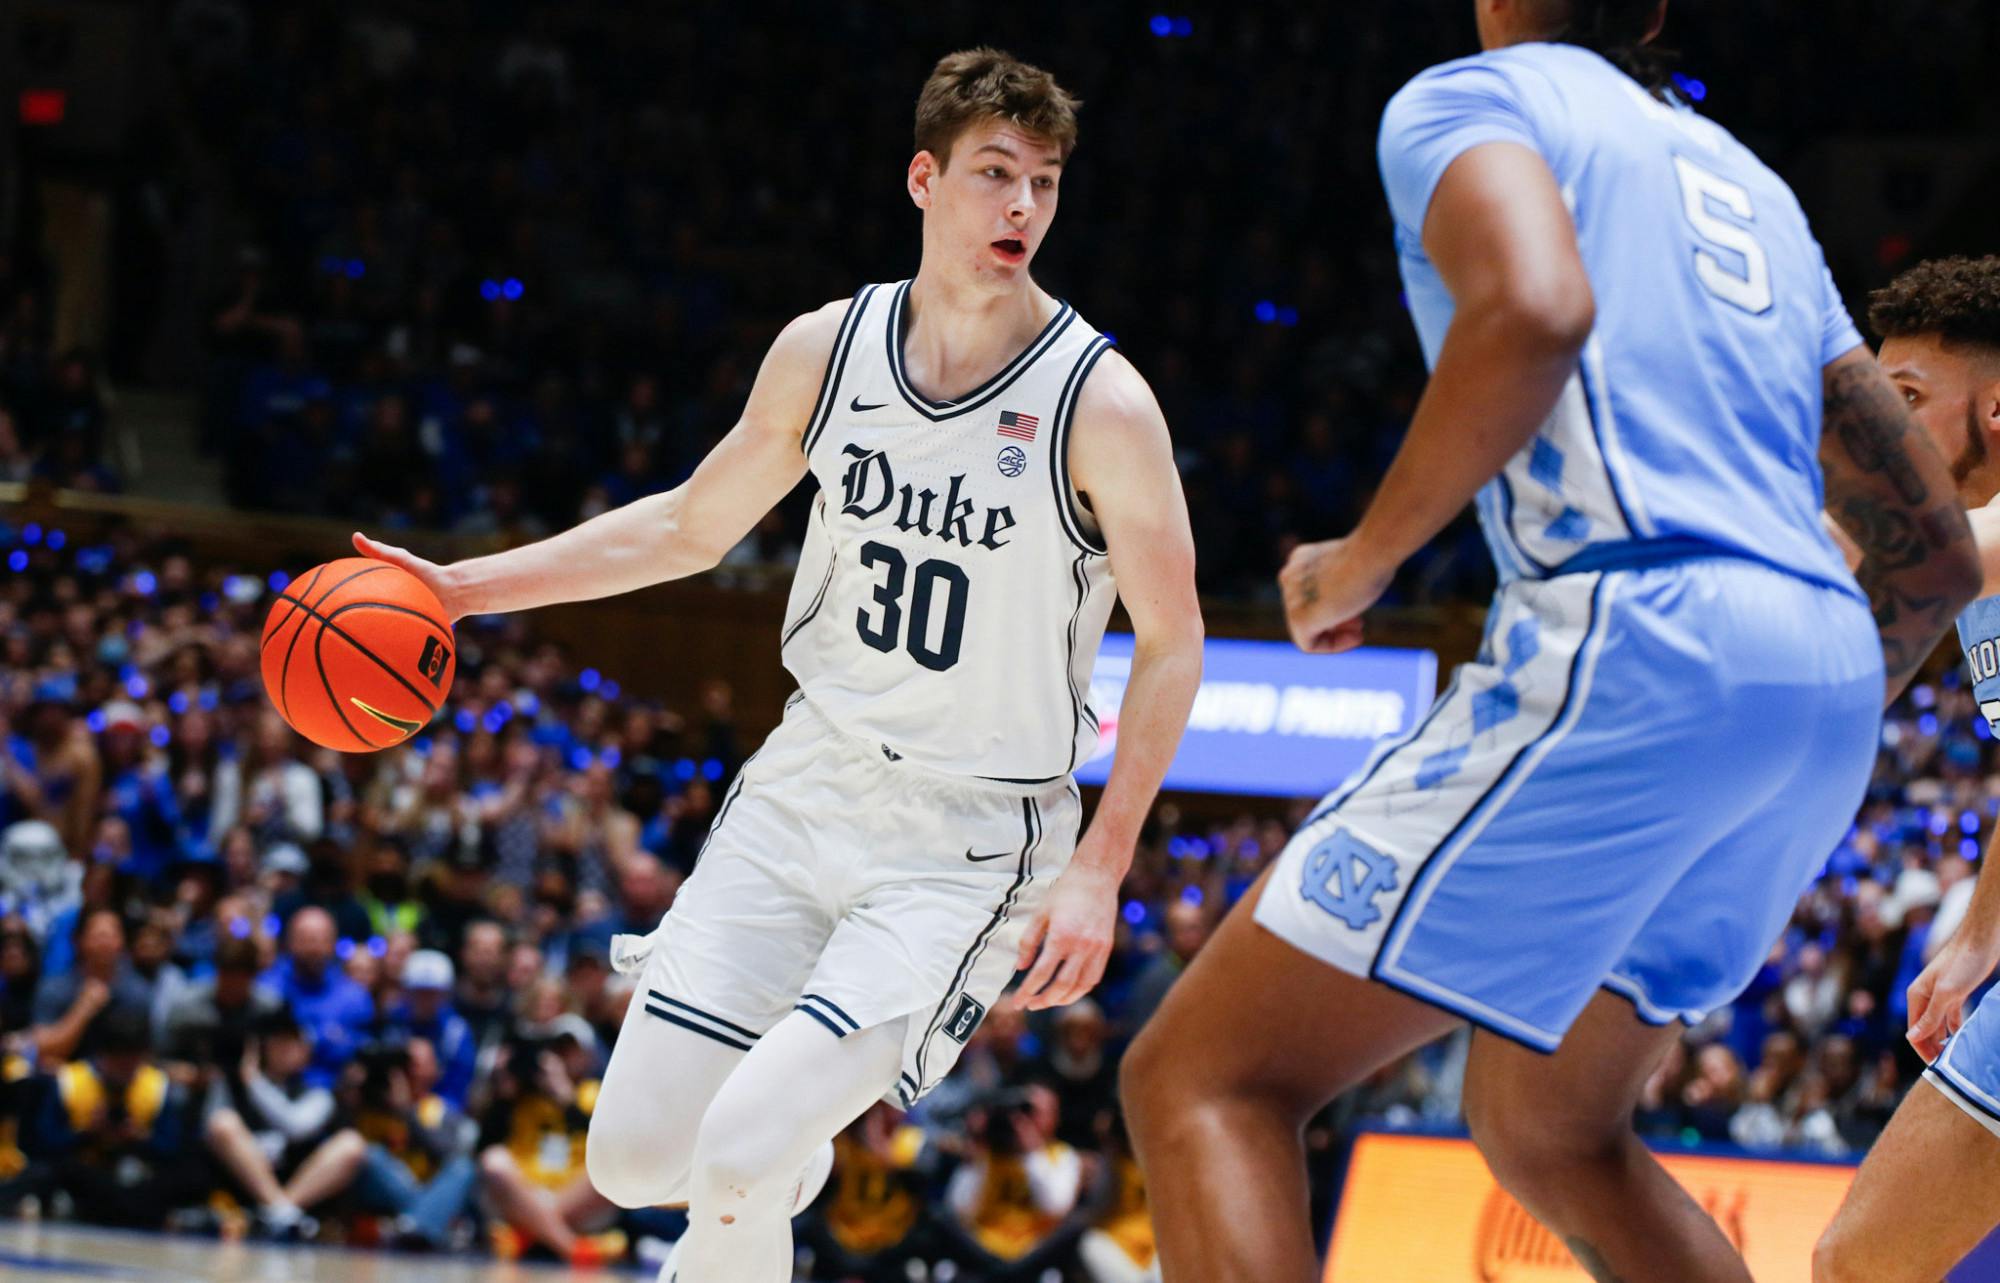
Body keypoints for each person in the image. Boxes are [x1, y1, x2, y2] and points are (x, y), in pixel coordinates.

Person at [1119, 4, 1980, 1281]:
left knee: (1206, 1076)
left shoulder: (1476, 100)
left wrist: (1360, 561)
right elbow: (1935, 552)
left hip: (1641, 630)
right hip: (1825, 677)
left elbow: (1530, 311)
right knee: (1551, 1127)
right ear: (1652, 10)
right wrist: (1790, 700)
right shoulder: (1750, 185)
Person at [357, 46, 1203, 1283]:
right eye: (993, 173)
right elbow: (685, 526)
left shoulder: (1101, 403)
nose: (1022, 204)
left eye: (1044, 180)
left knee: (743, 1149)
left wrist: (1101, 863)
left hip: (965, 839)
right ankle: (771, 1173)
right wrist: (460, 589)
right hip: (807, 782)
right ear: (923, 179)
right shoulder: (827, 349)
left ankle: (764, 1171)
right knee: (635, 1161)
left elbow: (1173, 641)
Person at [1815, 257, 2000, 1280]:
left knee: (1859, 1264)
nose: (1880, 430)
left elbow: (1920, 558)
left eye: (1908, 401)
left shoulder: (1969, 548)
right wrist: (1978, 937)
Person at [200, 1007, 366, 1240]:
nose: (286, 1049)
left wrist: (254, 1082)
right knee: (223, 1123)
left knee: (351, 1143)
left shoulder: (318, 1093)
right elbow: (209, 1129)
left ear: (307, 1051)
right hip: (242, 1185)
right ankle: (283, 1214)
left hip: (295, 1181)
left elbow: (295, 1127)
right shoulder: (232, 1083)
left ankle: (278, 1212)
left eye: (295, 1042)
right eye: (279, 1041)